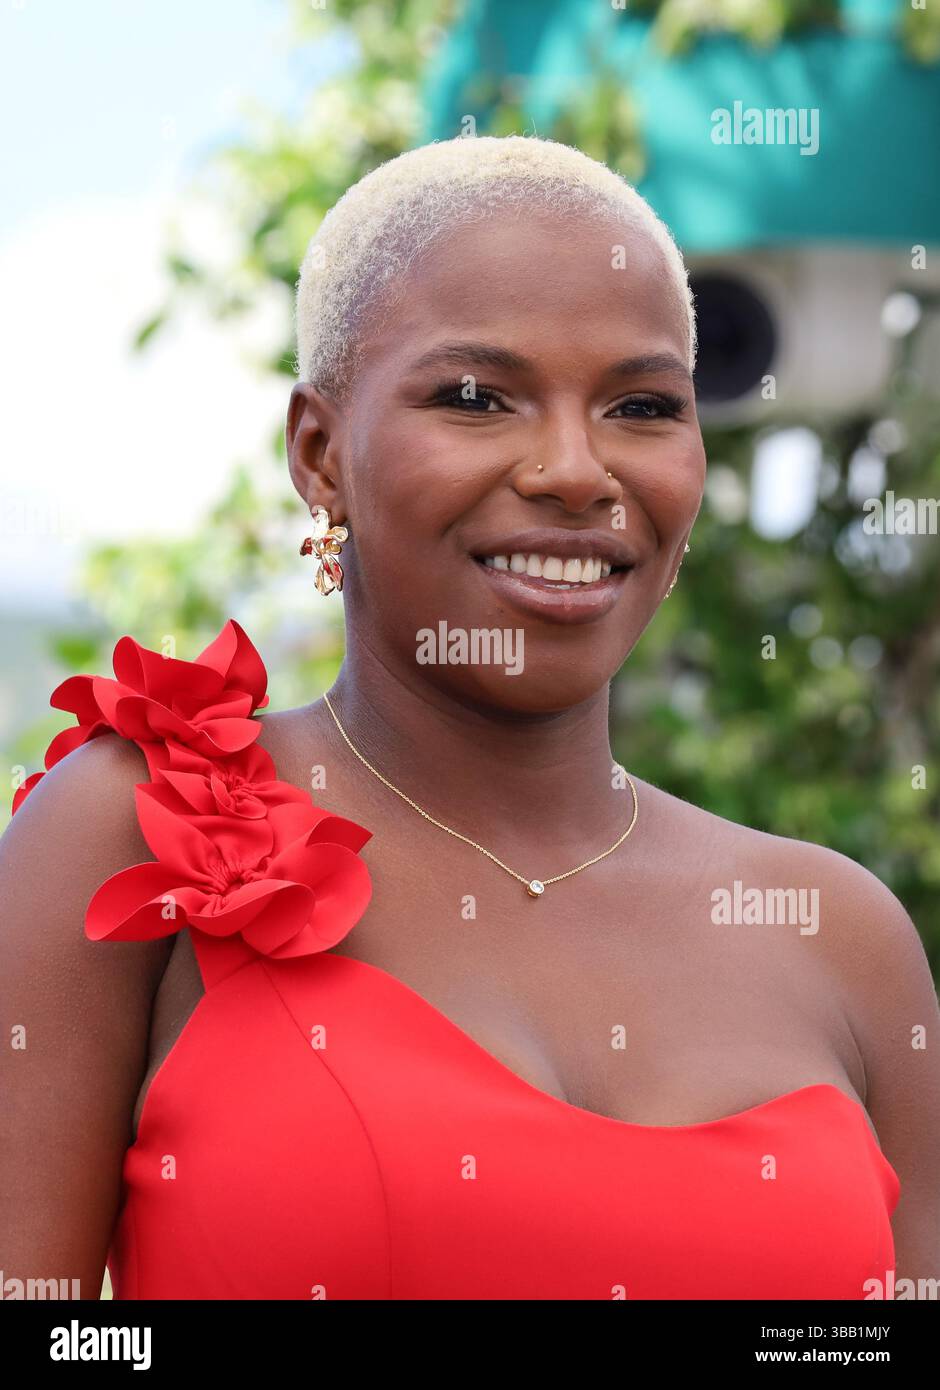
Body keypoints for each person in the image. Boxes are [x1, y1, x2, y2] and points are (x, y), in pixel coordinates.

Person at [2, 135, 937, 1301]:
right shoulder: (132, 829)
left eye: (640, 405)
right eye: (474, 397)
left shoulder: (841, 937)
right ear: (319, 453)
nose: (572, 469)